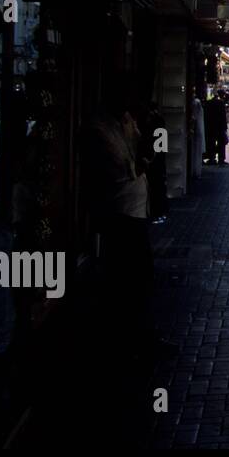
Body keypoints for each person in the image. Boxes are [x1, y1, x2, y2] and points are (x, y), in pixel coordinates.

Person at [83, 93, 156, 359]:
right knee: (128, 276)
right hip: (120, 211)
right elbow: (128, 166)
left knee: (140, 275)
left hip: (136, 210)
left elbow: (143, 152)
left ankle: (140, 334)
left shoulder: (126, 123)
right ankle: (127, 338)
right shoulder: (100, 129)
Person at [203, 90, 228, 165]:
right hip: (220, 126)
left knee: (211, 142)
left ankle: (211, 158)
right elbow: (223, 116)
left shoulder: (209, 102)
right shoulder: (221, 103)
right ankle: (221, 159)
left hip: (210, 126)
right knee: (222, 143)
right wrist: (225, 127)